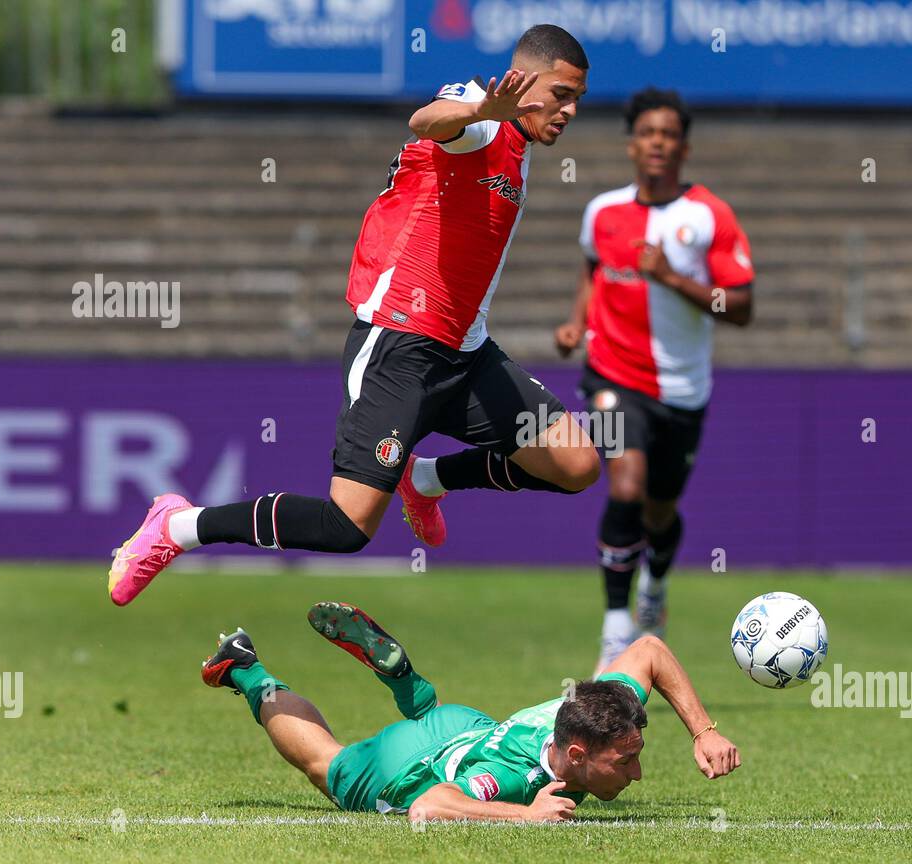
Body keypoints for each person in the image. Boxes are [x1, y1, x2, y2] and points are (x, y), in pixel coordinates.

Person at [108, 24, 600, 607]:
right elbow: (427, 122)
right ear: (526, 78)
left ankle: (426, 479)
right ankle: (178, 526)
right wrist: (478, 108)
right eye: (563, 93)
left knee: (577, 463)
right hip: (402, 343)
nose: (570, 110)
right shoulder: (482, 121)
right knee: (347, 527)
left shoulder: (515, 141)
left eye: (578, 100)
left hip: (467, 354)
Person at [201, 601, 741, 820]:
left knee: (459, 728)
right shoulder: (509, 778)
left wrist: (703, 731)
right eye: (624, 762)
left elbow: (648, 651)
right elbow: (431, 807)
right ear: (576, 755)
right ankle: (244, 667)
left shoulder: (591, 707)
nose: (637, 773)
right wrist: (525, 816)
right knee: (327, 765)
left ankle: (411, 688)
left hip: (467, 724)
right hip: (414, 762)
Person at [554, 87, 754, 671]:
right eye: (647, 133)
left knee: (660, 512)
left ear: (683, 147)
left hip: (683, 391)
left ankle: (656, 584)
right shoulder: (604, 212)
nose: (657, 143)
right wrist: (576, 323)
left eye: (668, 134)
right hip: (612, 373)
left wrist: (670, 278)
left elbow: (739, 306)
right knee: (624, 486)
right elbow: (593, 270)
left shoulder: (708, 215)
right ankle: (617, 631)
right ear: (631, 145)